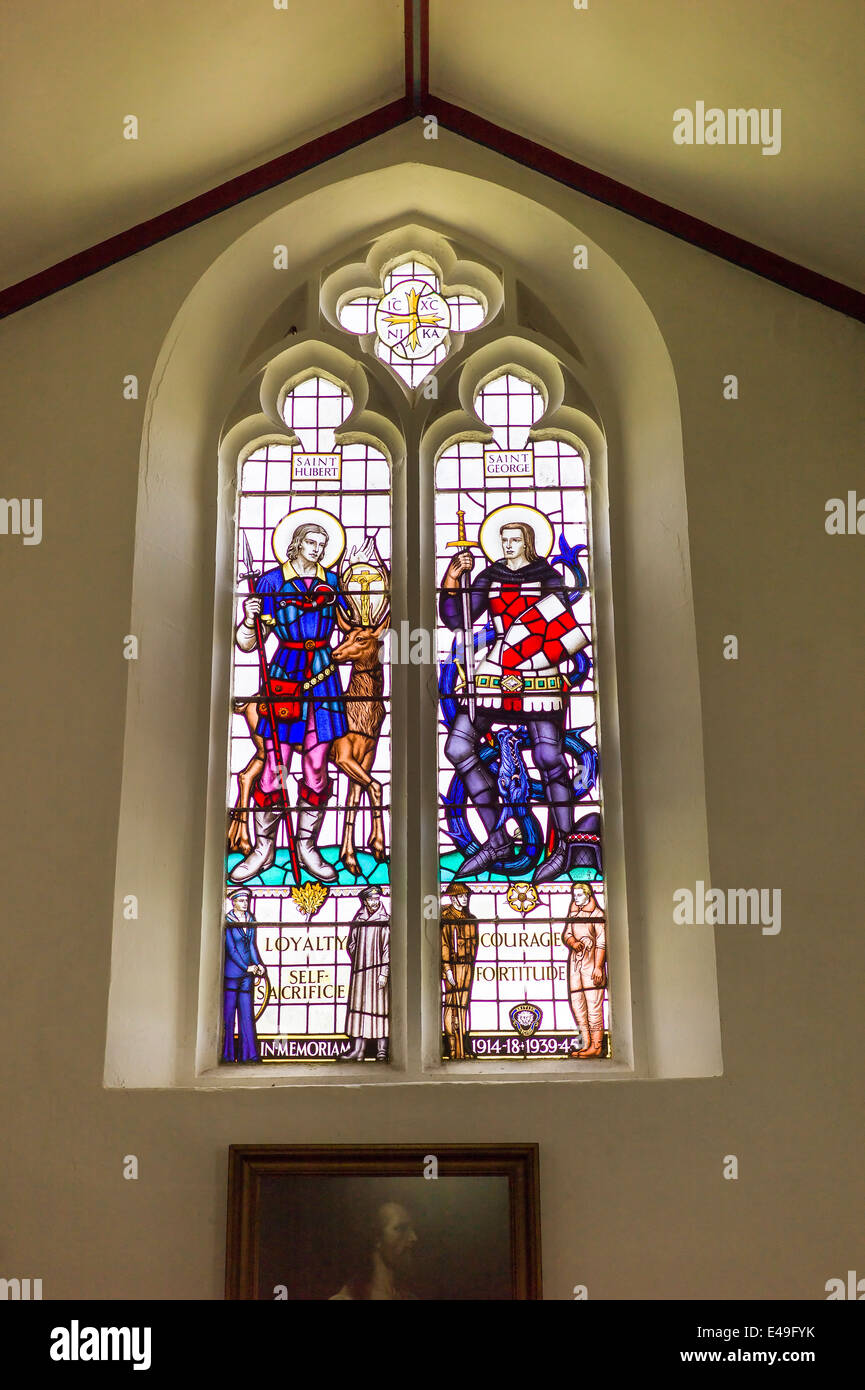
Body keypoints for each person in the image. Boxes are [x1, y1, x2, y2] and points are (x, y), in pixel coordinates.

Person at [440, 521, 588, 884]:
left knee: (549, 758)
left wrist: (522, 663)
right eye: (503, 540)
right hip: (496, 667)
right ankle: (498, 839)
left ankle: (566, 847)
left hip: (537, 668)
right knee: (458, 748)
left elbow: (558, 626)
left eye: (515, 540)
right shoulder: (489, 575)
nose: (508, 545)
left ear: (529, 542)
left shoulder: (548, 576)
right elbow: (458, 618)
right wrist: (451, 578)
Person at [231, 520, 349, 885]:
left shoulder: (332, 581)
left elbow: (353, 625)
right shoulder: (269, 582)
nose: (317, 549)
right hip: (283, 675)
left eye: (322, 543)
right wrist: (250, 619)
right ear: (295, 545)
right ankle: (264, 848)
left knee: (316, 767)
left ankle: (307, 847)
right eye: (311, 542)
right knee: (273, 768)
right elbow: (248, 644)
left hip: (324, 678)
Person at [329, 1201, 418, 1300]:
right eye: (401, 1228)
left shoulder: (408, 1298)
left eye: (412, 1229)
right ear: (376, 1237)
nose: (413, 1237)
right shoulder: (348, 1297)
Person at [345, 886, 390, 1061]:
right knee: (359, 1009)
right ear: (365, 901)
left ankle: (382, 1050)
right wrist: (358, 958)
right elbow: (351, 943)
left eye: (377, 899)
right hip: (361, 974)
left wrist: (384, 972)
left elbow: (388, 948)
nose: (375, 902)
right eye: (371, 899)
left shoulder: (384, 920)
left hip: (377, 972)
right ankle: (358, 1050)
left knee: (380, 1009)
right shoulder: (359, 919)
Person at [222, 889, 267, 1062]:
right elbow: (231, 949)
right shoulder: (227, 920)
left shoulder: (250, 919)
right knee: (228, 1016)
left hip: (248, 974)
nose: (245, 903)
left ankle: (249, 1055)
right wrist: (246, 967)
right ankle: (227, 1055)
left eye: (246, 901)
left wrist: (258, 964)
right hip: (232, 974)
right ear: (233, 902)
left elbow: (252, 946)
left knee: (247, 1015)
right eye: (241, 901)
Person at [562, 883, 606, 1058]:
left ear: (588, 895)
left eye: (579, 895)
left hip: (591, 966)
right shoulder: (574, 913)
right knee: (578, 1005)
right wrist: (573, 943)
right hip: (575, 965)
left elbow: (602, 942)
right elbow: (566, 934)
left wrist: (598, 967)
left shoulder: (597, 915)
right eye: (574, 895)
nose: (576, 898)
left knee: (593, 1006)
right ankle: (586, 1043)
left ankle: (597, 1046)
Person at [441, 884, 479, 1059]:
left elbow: (474, 943)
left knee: (463, 1006)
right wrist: (447, 969)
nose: (465, 898)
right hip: (452, 966)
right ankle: (452, 1048)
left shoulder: (470, 918)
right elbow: (443, 945)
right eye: (462, 896)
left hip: (467, 966)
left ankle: (462, 1047)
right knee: (451, 1005)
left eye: (466, 896)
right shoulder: (445, 918)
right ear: (453, 898)